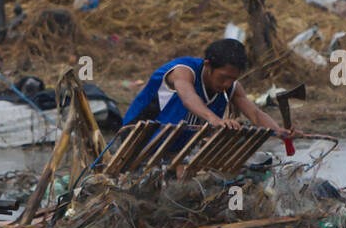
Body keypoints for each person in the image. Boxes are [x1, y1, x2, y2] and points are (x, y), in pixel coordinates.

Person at [121, 38, 295, 149]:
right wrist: (215, 120)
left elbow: (255, 115)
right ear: (208, 65)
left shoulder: (232, 86)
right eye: (224, 77)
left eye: (233, 79)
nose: (227, 84)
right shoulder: (183, 71)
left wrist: (280, 132)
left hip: (174, 148)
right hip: (137, 140)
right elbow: (189, 97)